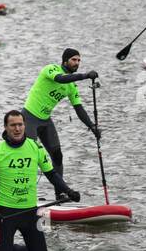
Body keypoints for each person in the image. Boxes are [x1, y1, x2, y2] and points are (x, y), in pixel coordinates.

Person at [0, 110, 81, 251]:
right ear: (5, 127)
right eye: (13, 125)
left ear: (24, 126)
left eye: (20, 125)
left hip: (31, 212)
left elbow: (51, 174)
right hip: (6, 214)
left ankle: (11, 248)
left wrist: (68, 191)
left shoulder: (35, 147)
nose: (17, 129)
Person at [23, 49, 100, 187]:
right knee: (30, 156)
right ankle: (22, 188)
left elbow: (79, 109)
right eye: (73, 60)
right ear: (65, 60)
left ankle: (60, 192)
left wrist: (92, 126)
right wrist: (85, 75)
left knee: (57, 156)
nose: (77, 63)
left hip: (46, 120)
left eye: (78, 60)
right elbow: (61, 78)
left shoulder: (71, 87)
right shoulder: (51, 69)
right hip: (29, 117)